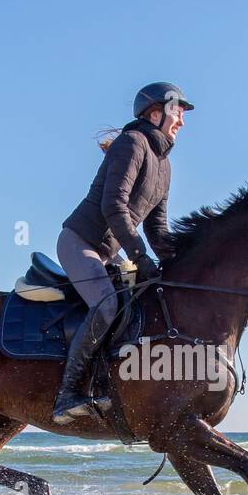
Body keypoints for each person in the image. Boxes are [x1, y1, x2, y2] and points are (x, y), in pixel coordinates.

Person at [52, 81, 193, 424]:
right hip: (80, 243)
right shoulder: (131, 143)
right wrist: (139, 255)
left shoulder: (165, 167)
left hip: (111, 251)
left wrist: (180, 264)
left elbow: (157, 230)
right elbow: (114, 206)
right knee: (108, 302)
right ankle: (67, 394)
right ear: (155, 113)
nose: (182, 121)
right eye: (178, 113)